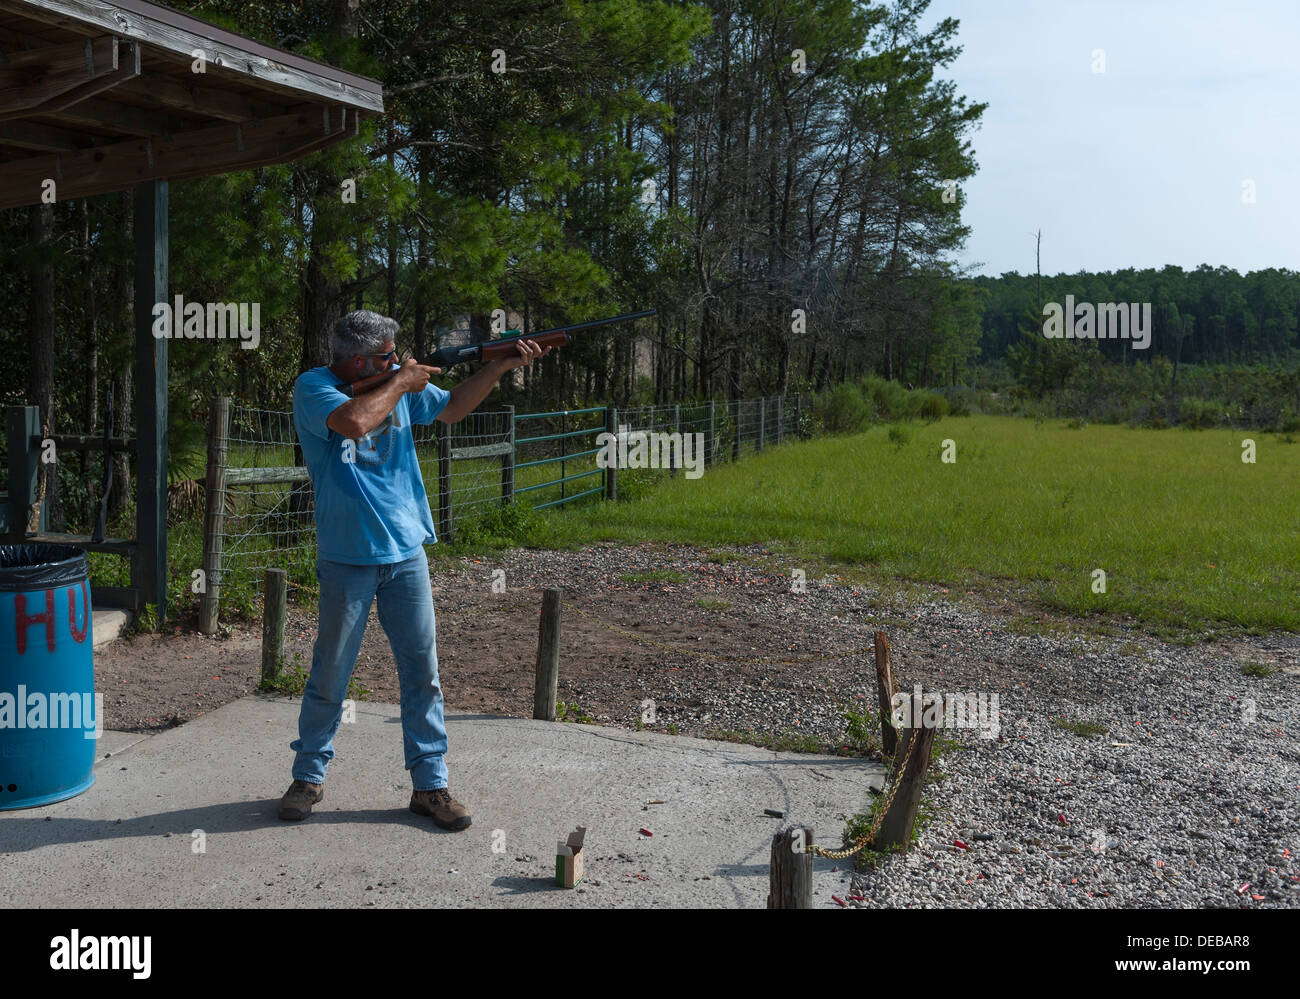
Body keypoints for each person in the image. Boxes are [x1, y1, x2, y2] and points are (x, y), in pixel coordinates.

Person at [279, 310, 550, 829]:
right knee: (330, 674)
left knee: (422, 673)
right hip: (346, 556)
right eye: (388, 355)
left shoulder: (397, 384)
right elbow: (355, 422)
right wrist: (402, 380)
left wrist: (497, 367)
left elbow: (450, 410)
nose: (399, 359)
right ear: (359, 361)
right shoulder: (314, 387)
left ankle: (430, 786)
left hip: (406, 553)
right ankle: (307, 778)